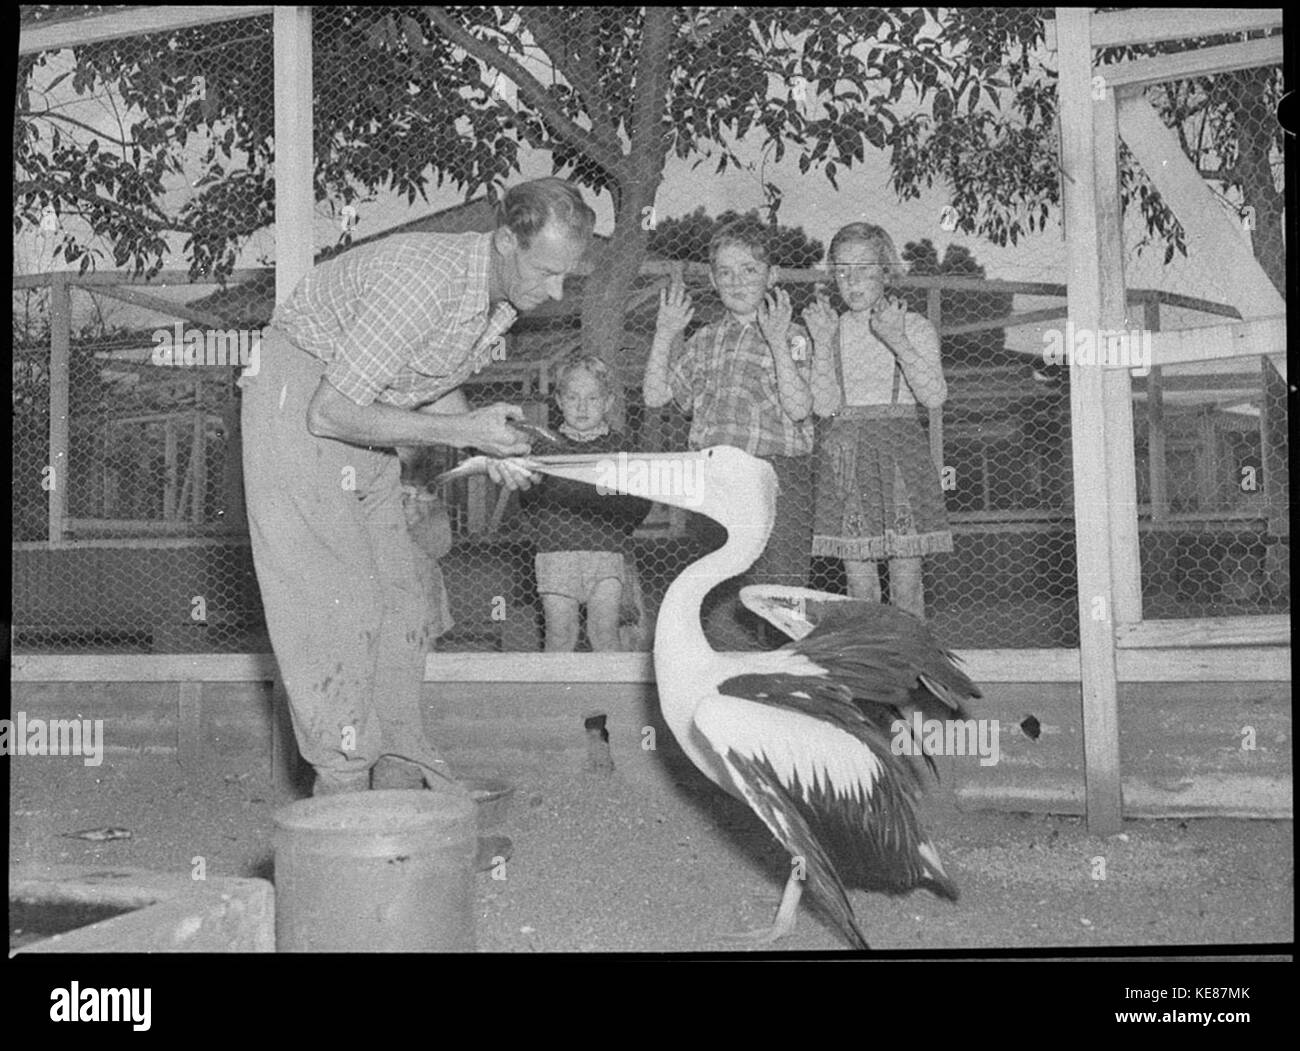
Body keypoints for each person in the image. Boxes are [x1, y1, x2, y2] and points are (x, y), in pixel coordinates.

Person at [240, 177, 595, 796]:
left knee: (405, 596)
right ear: (506, 241)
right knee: (337, 606)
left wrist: (486, 444)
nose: (556, 290)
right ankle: (343, 789)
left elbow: (429, 382)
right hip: (301, 402)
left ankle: (400, 767)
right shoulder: (425, 280)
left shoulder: (498, 294)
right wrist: (462, 430)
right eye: (547, 272)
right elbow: (328, 412)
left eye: (567, 276)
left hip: (362, 414)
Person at [642, 219, 814, 648]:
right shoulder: (703, 340)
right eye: (725, 272)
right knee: (720, 595)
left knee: (780, 593)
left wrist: (776, 343)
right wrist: (665, 333)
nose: (737, 281)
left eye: (749, 270)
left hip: (776, 477)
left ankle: (785, 692)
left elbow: (800, 407)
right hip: (717, 481)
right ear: (714, 280)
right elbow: (655, 395)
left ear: (772, 276)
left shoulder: (794, 338)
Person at [803, 221, 952, 619]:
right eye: (841, 270)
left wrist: (897, 339)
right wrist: (820, 345)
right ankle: (870, 673)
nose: (852, 281)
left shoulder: (915, 326)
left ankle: (913, 671)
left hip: (900, 455)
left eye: (865, 269)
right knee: (860, 586)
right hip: (847, 458)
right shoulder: (829, 329)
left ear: (887, 271)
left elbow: (935, 396)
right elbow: (823, 407)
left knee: (907, 584)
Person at [518, 355, 651, 652]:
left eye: (593, 398)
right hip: (556, 554)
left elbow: (641, 503)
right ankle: (556, 697)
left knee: (604, 633)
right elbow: (527, 499)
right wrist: (546, 531)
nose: (582, 406)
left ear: (608, 402)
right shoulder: (544, 447)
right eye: (573, 397)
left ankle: (611, 698)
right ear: (559, 400)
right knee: (559, 635)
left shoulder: (621, 448)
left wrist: (616, 530)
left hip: (606, 554)